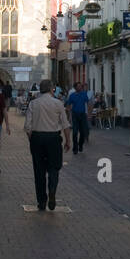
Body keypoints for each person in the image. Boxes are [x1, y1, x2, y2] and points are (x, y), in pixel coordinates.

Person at [25, 78, 71, 211]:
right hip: (53, 138)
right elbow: (65, 124)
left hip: (37, 138)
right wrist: (68, 140)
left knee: (39, 171)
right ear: (52, 89)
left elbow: (27, 126)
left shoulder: (33, 104)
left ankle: (41, 201)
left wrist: (32, 140)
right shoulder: (58, 103)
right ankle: (52, 191)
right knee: (54, 168)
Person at [65, 81, 93, 154]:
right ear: (75, 88)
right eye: (79, 86)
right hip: (75, 115)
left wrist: (89, 114)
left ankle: (80, 145)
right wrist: (68, 115)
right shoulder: (72, 95)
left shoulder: (84, 94)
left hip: (83, 115)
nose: (80, 87)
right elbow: (68, 106)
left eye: (81, 86)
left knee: (83, 132)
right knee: (74, 132)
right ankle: (75, 148)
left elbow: (88, 103)